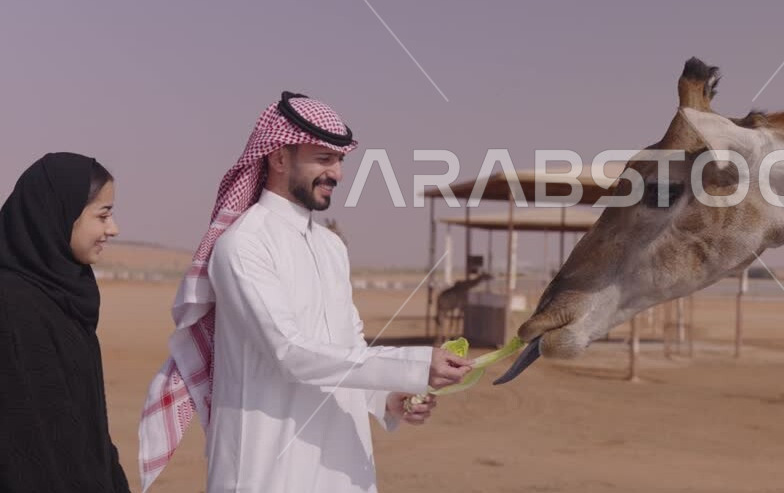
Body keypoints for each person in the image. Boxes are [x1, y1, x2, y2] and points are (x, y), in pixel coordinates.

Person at [139, 93, 472, 492]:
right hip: (269, 470)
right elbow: (289, 353)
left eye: (340, 160)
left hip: (343, 467)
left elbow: (347, 346)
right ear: (279, 158)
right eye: (323, 159)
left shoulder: (331, 247)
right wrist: (415, 365)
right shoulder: (243, 245)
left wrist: (387, 396)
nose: (338, 173)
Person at [0, 153, 129, 492]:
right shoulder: (12, 307)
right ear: (59, 215)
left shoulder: (66, 297)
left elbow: (89, 430)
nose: (112, 229)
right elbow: (30, 448)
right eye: (102, 215)